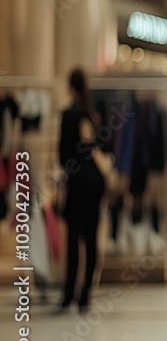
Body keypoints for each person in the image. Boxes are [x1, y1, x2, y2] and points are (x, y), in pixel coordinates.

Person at [57, 68, 111, 313]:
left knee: (73, 239)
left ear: (70, 86)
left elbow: (63, 156)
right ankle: (85, 294)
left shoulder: (69, 116)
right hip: (95, 182)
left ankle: (69, 294)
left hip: (77, 183)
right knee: (90, 239)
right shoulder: (93, 115)